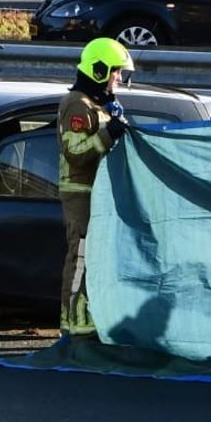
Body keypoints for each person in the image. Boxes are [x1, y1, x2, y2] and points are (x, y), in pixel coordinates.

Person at [56, 37, 135, 336]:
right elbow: (76, 154)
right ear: (99, 69)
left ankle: (89, 319)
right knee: (81, 257)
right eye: (115, 71)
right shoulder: (77, 104)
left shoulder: (96, 104)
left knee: (95, 260)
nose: (118, 78)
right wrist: (109, 133)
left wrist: (112, 119)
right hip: (80, 192)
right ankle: (74, 326)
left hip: (96, 191)